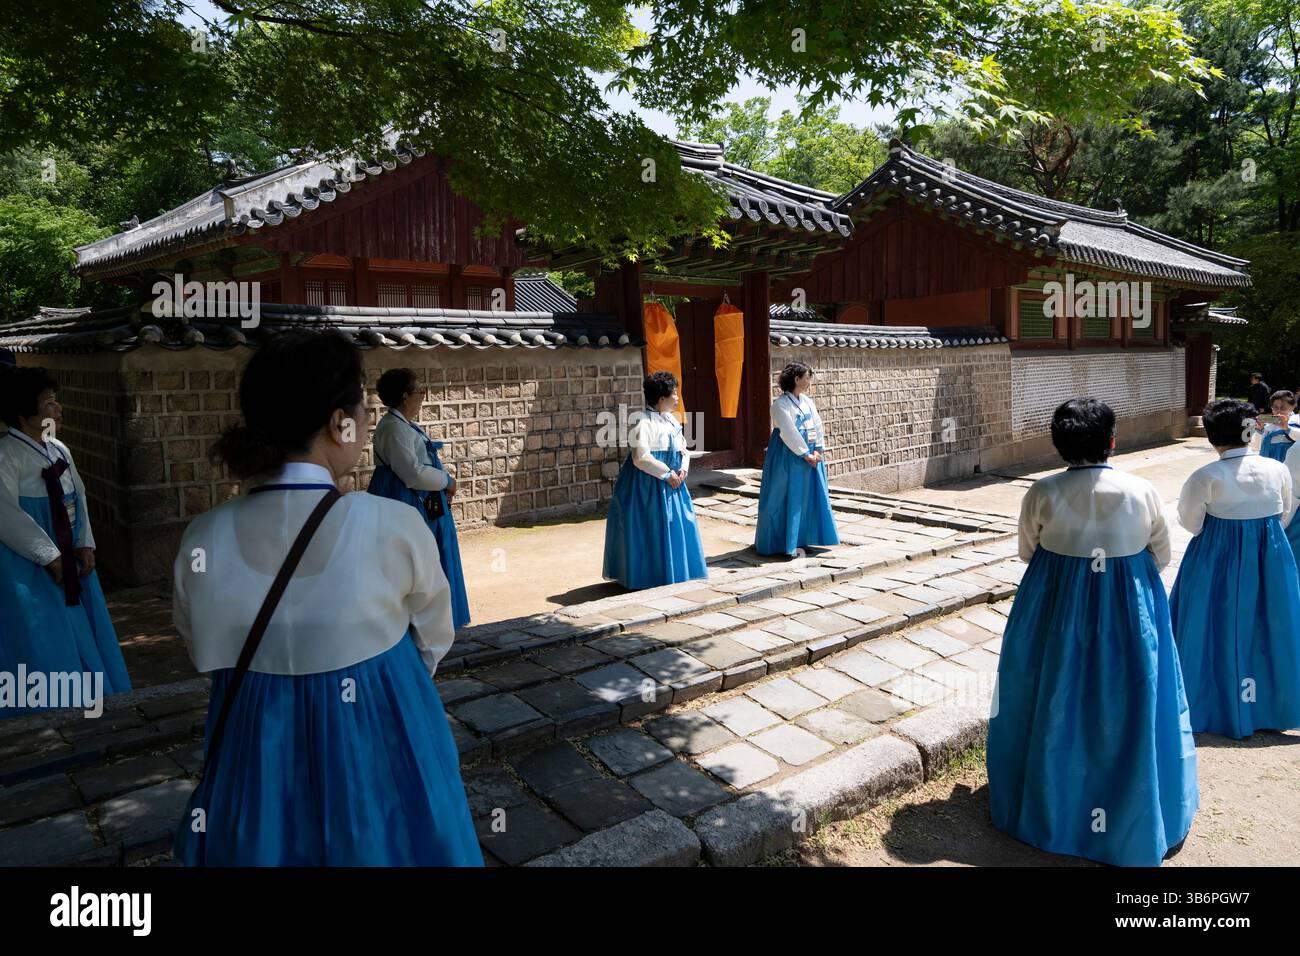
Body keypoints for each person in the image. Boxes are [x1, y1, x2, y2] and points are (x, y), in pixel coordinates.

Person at [172, 332, 481, 866]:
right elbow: (434, 631)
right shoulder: (390, 524)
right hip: (384, 717)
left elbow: (199, 638)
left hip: (252, 726)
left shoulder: (204, 535)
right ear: (341, 422)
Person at [987, 399, 1197, 867]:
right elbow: (1160, 553)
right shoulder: (1141, 490)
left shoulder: (1042, 491)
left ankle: (1053, 798)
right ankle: (1136, 804)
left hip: (1055, 600)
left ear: (1058, 443)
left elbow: (1028, 550)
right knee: (1133, 694)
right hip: (1127, 602)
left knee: (1052, 687)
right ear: (1112, 440)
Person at [0, 366, 130, 717]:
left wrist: (85, 543)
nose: (58, 411)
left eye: (56, 404)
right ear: (23, 414)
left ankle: (95, 692)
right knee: (45, 629)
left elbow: (80, 495)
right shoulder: (6, 456)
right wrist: (51, 557)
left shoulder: (59, 449)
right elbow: (6, 515)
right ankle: (50, 705)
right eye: (49, 404)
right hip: (30, 561)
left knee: (83, 624)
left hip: (70, 552)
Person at [1170, 399, 1300, 739]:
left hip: (1216, 555)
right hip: (1270, 553)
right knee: (1270, 624)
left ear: (1213, 437)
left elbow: (1190, 521)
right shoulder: (1278, 468)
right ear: (1252, 428)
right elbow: (1285, 513)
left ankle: (1210, 704)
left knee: (1209, 623)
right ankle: (1270, 706)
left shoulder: (1206, 475)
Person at [367, 368, 470, 629]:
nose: (423, 396)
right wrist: (447, 481)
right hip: (405, 498)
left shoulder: (405, 425)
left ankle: (437, 620)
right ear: (404, 396)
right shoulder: (392, 427)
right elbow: (411, 473)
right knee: (413, 560)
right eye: (419, 391)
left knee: (432, 555)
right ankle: (419, 624)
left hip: (422, 500)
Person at [603, 371, 707, 589]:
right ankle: (648, 575)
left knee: (676, 524)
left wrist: (682, 470)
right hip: (647, 484)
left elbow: (683, 449)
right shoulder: (642, 422)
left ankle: (675, 571)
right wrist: (667, 474)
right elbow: (641, 456)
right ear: (661, 398)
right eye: (674, 394)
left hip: (673, 482)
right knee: (650, 527)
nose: (678, 398)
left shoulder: (671, 420)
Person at [754, 362, 839, 557]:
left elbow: (817, 424)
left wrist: (818, 448)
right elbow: (788, 431)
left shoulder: (807, 401)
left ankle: (803, 539)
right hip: (787, 454)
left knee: (806, 497)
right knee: (783, 496)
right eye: (807, 377)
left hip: (810, 454)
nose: (809, 382)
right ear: (796, 379)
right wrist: (805, 454)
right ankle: (782, 543)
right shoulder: (780, 405)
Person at [1256, 389, 1300, 463]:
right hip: (1267, 463)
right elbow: (1256, 446)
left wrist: (1287, 428)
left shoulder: (1296, 420)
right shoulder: (1269, 424)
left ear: (1293, 406)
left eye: (1283, 408)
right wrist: (1259, 429)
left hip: (1288, 464)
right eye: (1275, 408)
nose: (1279, 411)